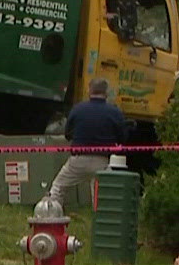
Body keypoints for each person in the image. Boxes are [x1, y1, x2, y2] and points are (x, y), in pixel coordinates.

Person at [47, 78, 129, 209]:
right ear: (106, 92)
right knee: (99, 194)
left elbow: (68, 134)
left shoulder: (78, 109)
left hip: (78, 160)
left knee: (58, 187)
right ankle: (99, 219)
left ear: (89, 90)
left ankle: (52, 214)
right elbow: (122, 139)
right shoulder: (115, 112)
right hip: (102, 161)